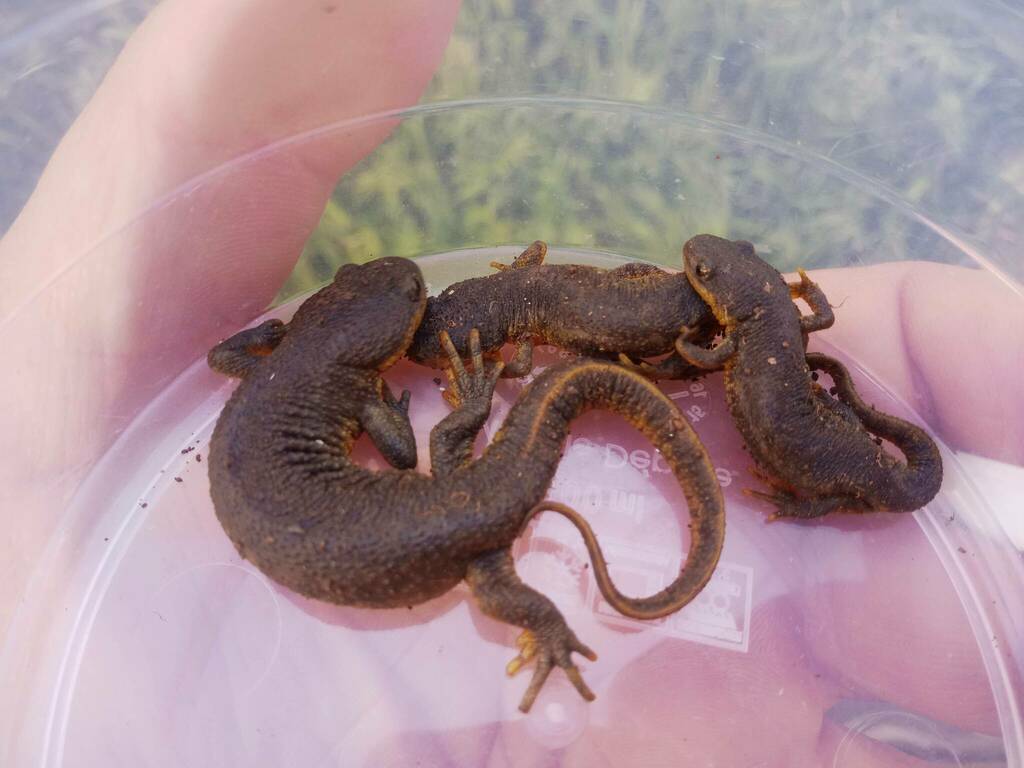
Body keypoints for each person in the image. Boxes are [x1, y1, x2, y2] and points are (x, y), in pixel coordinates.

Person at [0, 2, 1020, 764]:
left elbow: (369, 432)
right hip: (438, 512)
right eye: (385, 304)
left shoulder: (275, 364)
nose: (404, 291)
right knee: (478, 515)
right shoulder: (365, 410)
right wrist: (461, 412)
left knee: (484, 539)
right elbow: (408, 454)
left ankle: (551, 629)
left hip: (425, 522)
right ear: (329, 346)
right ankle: (552, 621)